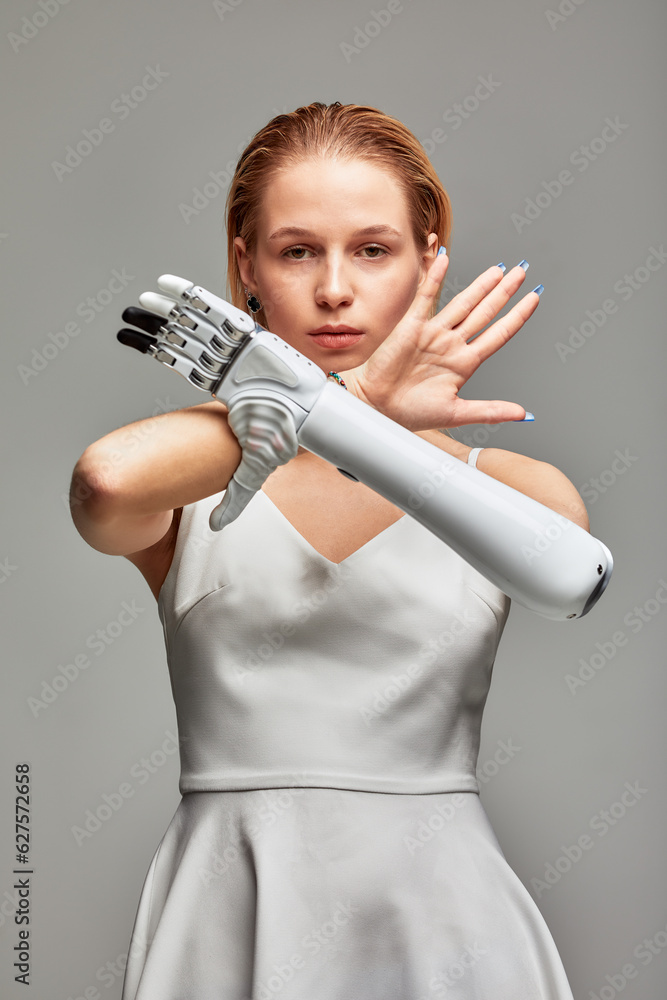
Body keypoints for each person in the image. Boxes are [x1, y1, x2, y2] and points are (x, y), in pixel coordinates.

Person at [70, 102, 589, 999]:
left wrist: (356, 421)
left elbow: (573, 578)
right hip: (229, 911)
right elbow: (106, 486)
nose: (335, 288)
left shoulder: (514, 484)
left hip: (448, 927)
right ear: (247, 268)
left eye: (374, 249)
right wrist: (342, 409)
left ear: (430, 263)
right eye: (298, 249)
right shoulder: (190, 473)